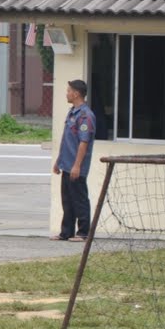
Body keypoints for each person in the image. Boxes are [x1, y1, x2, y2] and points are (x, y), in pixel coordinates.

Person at [53, 78, 96, 241]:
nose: (67, 93)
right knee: (67, 200)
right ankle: (66, 232)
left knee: (79, 200)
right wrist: (59, 161)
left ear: (76, 93)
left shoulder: (85, 116)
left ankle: (83, 232)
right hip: (67, 164)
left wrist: (77, 166)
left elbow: (83, 143)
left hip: (76, 167)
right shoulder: (72, 112)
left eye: (69, 91)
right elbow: (67, 140)